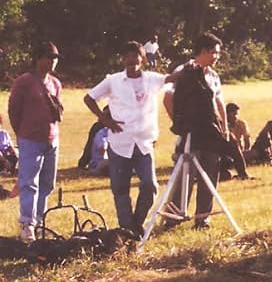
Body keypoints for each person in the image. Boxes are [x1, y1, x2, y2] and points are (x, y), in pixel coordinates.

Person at [83, 41, 183, 235]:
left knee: (149, 186)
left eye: (135, 56)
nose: (131, 60)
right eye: (127, 56)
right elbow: (89, 98)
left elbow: (173, 77)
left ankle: (137, 223)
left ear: (143, 58)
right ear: (123, 59)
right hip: (120, 142)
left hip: (144, 143)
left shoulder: (152, 79)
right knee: (121, 189)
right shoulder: (113, 80)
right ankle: (127, 230)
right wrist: (104, 120)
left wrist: (193, 67)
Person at [167, 32, 228, 230]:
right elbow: (168, 99)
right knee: (185, 173)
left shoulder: (213, 75)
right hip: (191, 132)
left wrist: (224, 128)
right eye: (214, 53)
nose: (216, 57)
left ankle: (203, 218)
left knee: (210, 173)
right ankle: (173, 216)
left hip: (210, 132)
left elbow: (219, 102)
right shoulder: (183, 71)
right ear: (203, 51)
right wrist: (180, 123)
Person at [8, 41, 63, 242]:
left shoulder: (56, 83)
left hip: (52, 138)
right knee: (29, 183)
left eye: (55, 58)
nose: (52, 62)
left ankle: (40, 221)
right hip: (30, 139)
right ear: (38, 58)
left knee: (47, 183)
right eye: (49, 57)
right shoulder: (24, 81)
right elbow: (14, 110)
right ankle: (27, 224)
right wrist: (22, 133)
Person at [219, 102, 253, 180]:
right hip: (225, 157)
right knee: (226, 175)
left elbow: (247, 141)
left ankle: (242, 173)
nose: (235, 117)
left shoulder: (241, 124)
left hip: (239, 154)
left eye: (236, 114)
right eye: (233, 114)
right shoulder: (223, 127)